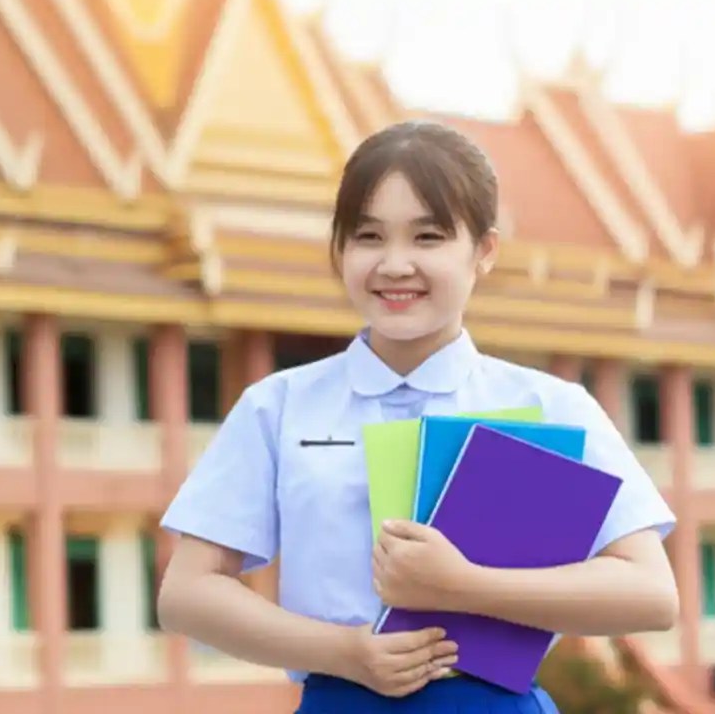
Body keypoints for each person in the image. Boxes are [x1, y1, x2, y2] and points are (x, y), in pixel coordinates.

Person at [155, 120, 680, 713]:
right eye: (369, 237)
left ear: (484, 251)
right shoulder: (278, 407)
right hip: (340, 697)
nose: (395, 265)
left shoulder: (550, 406)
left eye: (428, 237)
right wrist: (346, 652)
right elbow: (187, 592)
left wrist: (464, 585)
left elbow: (651, 593)